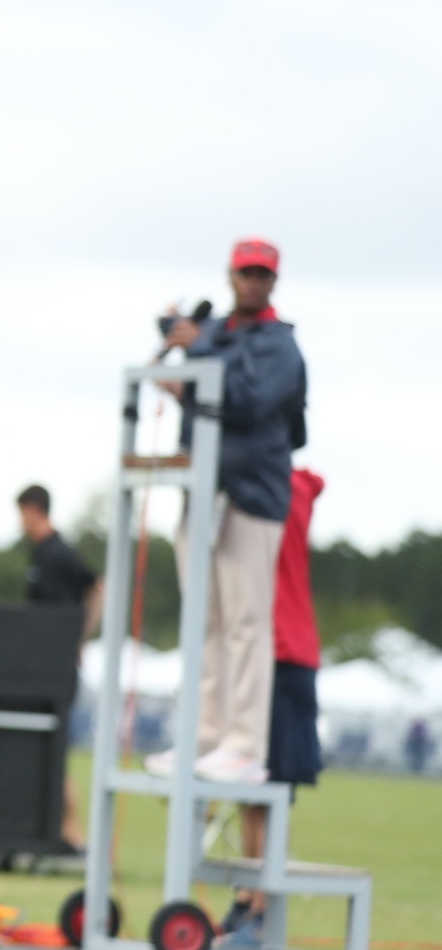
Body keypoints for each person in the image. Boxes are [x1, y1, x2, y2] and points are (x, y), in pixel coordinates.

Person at [148, 237, 307, 784]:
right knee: (205, 623)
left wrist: (197, 349)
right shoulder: (216, 332)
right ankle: (204, 739)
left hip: (252, 496)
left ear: (273, 283)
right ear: (231, 275)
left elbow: (250, 398)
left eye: (263, 274)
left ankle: (244, 744)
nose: (254, 281)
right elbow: (196, 377)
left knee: (244, 623)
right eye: (247, 272)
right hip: (203, 490)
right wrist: (173, 334)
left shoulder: (279, 345)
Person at [220, 466, 325, 949]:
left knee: (274, 788)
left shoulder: (280, 488)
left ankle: (262, 907)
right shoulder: (289, 482)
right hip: (264, 650)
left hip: (285, 651)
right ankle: (248, 896)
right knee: (249, 781)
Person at [15, 483, 99, 853]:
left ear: (33, 509)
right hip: (40, 667)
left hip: (58, 669)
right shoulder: (38, 553)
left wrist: (80, 638)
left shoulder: (58, 553)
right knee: (44, 748)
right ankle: (56, 830)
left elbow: (97, 586)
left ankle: (73, 833)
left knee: (57, 747)